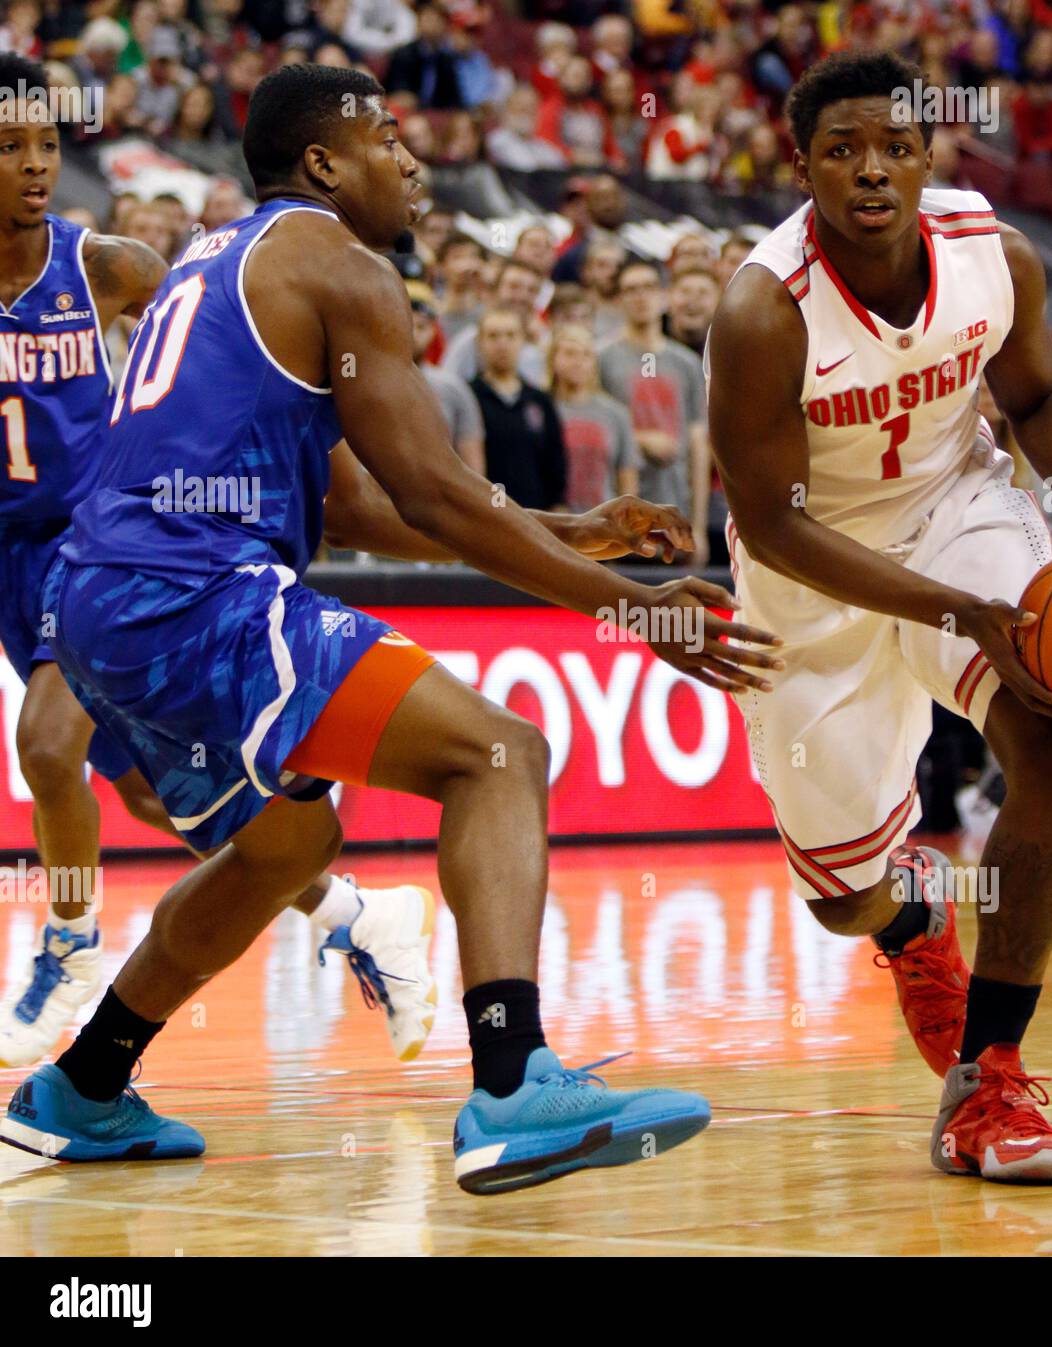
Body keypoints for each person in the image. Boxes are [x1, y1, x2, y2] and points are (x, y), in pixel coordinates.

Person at [0, 63, 780, 1183]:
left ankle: (84, 1086)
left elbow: (357, 502)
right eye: (389, 142)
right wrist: (633, 609)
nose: (414, 165)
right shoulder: (338, 263)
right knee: (501, 756)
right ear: (322, 163)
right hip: (194, 588)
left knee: (288, 845)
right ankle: (514, 1081)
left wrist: (574, 527)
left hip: (95, 602)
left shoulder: (225, 259)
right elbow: (429, 493)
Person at [707, 51, 1052, 1185]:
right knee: (841, 900)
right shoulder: (758, 309)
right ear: (802, 166)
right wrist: (962, 612)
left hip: (955, 510)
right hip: (808, 575)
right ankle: (911, 923)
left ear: (929, 154)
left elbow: (1033, 396)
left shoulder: (993, 255)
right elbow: (772, 528)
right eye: (841, 151)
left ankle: (991, 1077)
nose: (871, 170)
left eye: (894, 146)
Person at [0, 54, 438, 1069]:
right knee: (161, 795)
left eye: (46, 147)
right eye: (9, 148)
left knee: (47, 746)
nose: (33, 167)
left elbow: (216, 359)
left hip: (100, 543)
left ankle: (67, 943)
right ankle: (360, 917)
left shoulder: (102, 265)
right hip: (12, 562)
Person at [600, 259, 711, 562]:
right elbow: (596, 429)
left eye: (648, 287)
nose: (640, 296)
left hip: (675, 510)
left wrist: (698, 527)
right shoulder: (603, 359)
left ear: (663, 296)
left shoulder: (686, 364)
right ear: (619, 299)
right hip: (618, 516)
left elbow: (699, 446)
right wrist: (640, 439)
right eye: (631, 289)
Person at [471, 305, 567, 511]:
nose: (502, 344)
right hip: (483, 515)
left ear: (523, 341)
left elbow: (555, 462)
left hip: (535, 516)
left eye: (510, 335)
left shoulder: (540, 401)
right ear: (480, 343)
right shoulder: (467, 396)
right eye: (493, 336)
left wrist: (558, 510)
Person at [550, 324, 641, 512]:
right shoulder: (542, 409)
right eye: (569, 353)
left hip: (603, 526)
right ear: (553, 359)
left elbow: (627, 483)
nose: (578, 361)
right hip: (552, 525)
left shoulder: (616, 414)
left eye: (586, 355)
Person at [409, 282, 484, 474]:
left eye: (421, 326)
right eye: (407, 324)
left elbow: (473, 465)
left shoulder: (452, 387)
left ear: (434, 331)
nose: (413, 334)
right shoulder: (367, 382)